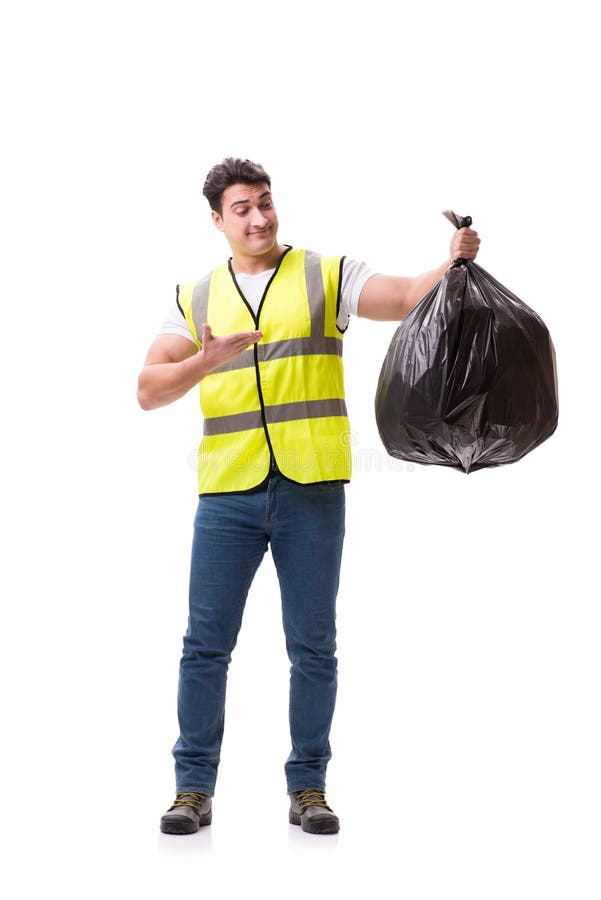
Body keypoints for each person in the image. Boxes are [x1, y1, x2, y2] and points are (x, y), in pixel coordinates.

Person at [137, 157, 480, 836]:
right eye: (242, 208)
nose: (259, 217)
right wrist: (205, 360)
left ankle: (309, 789)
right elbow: (149, 388)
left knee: (313, 646)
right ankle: (191, 791)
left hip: (310, 490)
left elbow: (408, 294)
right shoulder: (195, 296)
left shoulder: (327, 273)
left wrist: (450, 262)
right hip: (227, 495)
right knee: (204, 645)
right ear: (217, 219)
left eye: (265, 202)